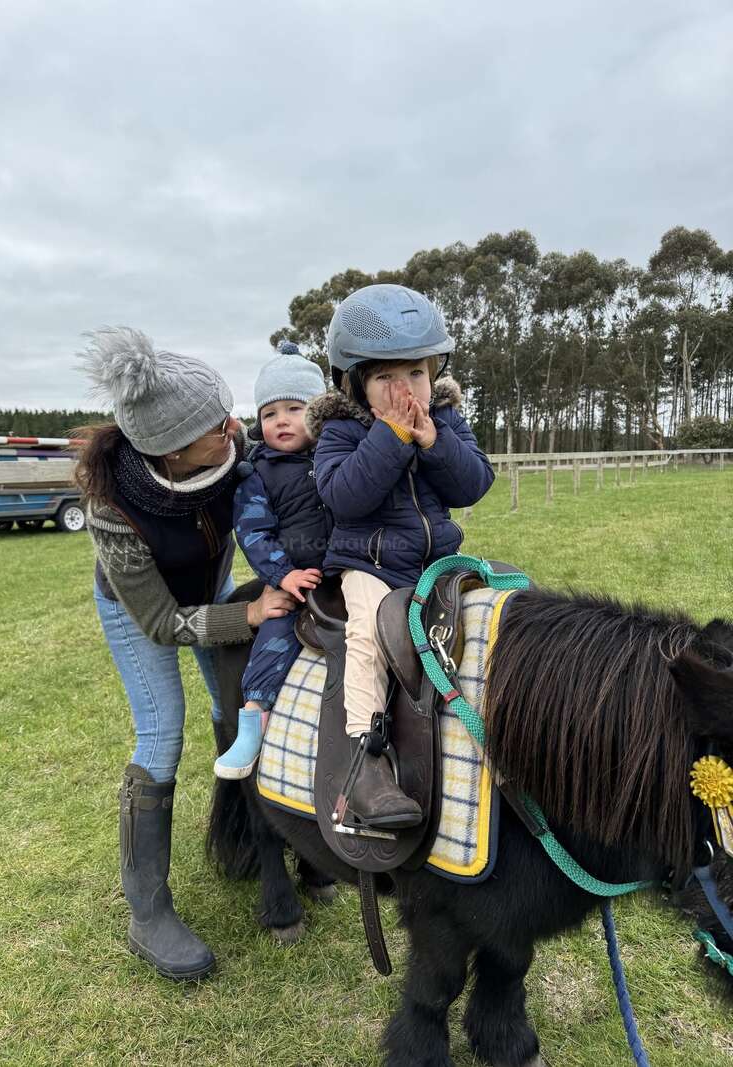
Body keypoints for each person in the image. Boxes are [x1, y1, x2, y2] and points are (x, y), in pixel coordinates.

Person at [74, 327, 294, 982]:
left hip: (211, 587)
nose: (234, 425)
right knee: (162, 732)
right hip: (143, 611)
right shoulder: (111, 507)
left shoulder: (235, 447)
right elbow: (163, 621)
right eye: (212, 425)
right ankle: (148, 909)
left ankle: (250, 846)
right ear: (169, 451)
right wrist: (248, 614)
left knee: (239, 712)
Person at [305, 284, 496, 828]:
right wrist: (390, 436)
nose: (403, 388)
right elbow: (345, 495)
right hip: (370, 566)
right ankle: (364, 764)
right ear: (356, 382)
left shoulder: (447, 419)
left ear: (434, 372)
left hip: (439, 563)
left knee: (505, 615)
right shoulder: (341, 430)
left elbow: (474, 484)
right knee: (366, 633)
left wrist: (436, 443)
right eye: (385, 376)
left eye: (415, 372)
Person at [214, 341, 329, 778]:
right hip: (296, 576)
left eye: (294, 408)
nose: (281, 420)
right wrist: (284, 574)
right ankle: (254, 716)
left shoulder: (337, 457)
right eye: (269, 413)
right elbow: (253, 532)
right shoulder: (256, 474)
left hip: (353, 567)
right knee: (277, 632)